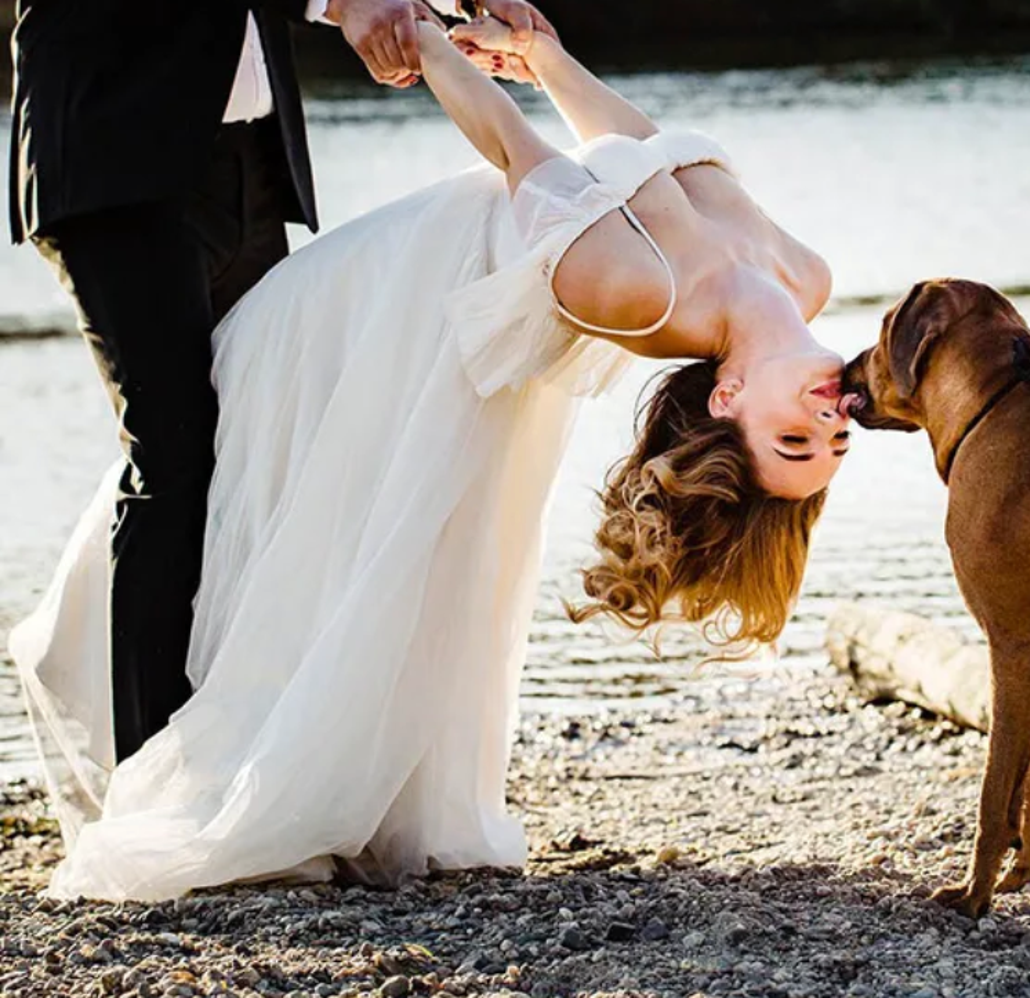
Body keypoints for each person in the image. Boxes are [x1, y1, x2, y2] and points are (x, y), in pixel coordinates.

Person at [9, 13, 854, 901]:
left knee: (222, 476)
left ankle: (204, 776)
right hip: (193, 188)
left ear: (727, 401)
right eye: (830, 441)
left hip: (384, 306)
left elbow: (515, 151)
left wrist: (425, 39)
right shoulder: (804, 273)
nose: (826, 419)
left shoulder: (641, 295)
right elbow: (646, 148)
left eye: (790, 439)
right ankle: (183, 764)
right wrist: (546, 58)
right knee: (210, 474)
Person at [8, 0, 556, 769]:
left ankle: (251, 753)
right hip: (114, 152)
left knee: (267, 449)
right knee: (174, 460)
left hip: (247, 164)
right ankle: (153, 779)